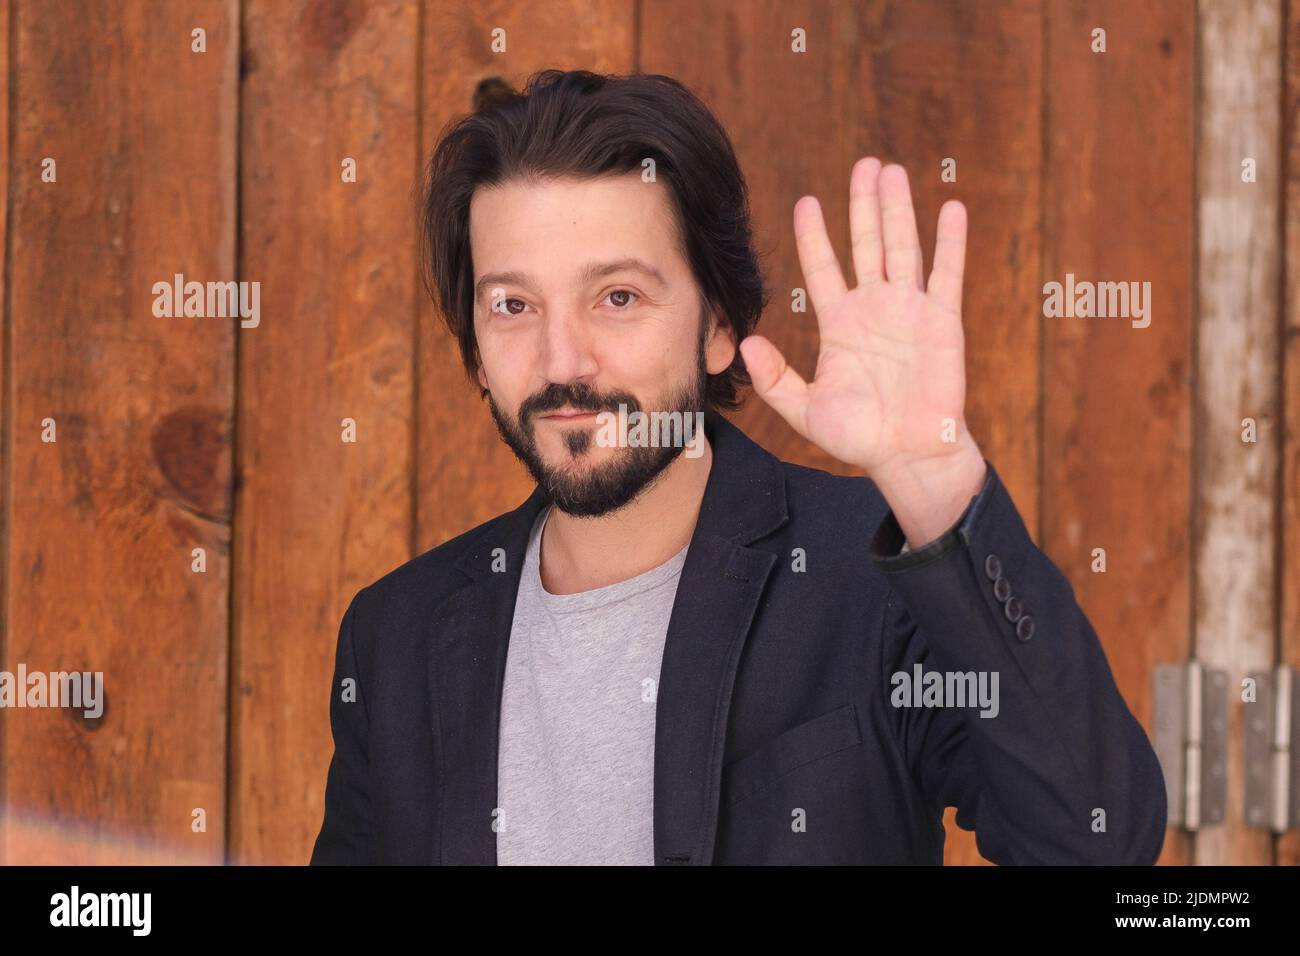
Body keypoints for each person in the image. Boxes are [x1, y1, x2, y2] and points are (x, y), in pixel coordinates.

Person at [310, 69, 1166, 865]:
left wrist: (938, 484)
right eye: (513, 305)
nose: (561, 358)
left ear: (719, 325)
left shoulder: (871, 582)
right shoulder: (397, 636)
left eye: (618, 297)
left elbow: (1095, 843)